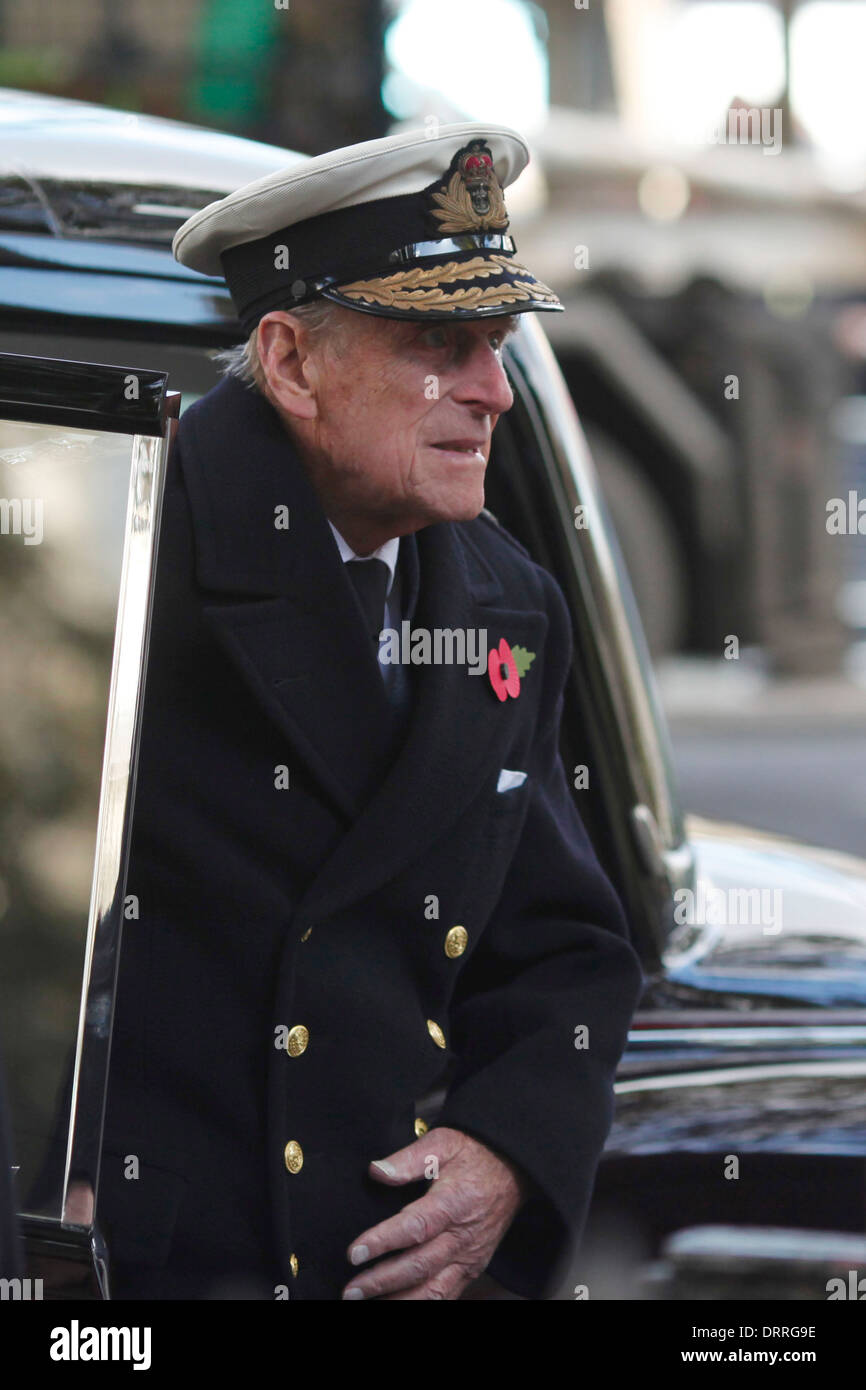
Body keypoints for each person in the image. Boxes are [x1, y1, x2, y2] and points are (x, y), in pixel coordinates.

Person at [99, 121, 645, 1301]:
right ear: (290, 362)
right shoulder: (122, 556)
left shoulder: (506, 598)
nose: (494, 391)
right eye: (440, 343)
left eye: (496, 344)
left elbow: (566, 951)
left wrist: (505, 1151)